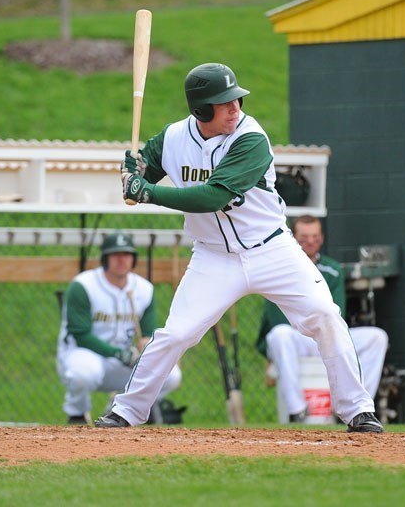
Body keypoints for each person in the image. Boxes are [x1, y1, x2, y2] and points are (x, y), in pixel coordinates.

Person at [99, 62, 382, 432]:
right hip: (213, 256)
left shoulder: (251, 138)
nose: (235, 108)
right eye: (224, 102)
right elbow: (142, 175)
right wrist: (133, 172)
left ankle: (358, 410)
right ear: (201, 110)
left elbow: (213, 197)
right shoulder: (172, 138)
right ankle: (126, 411)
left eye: (236, 99)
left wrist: (148, 192)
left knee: (325, 315)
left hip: (272, 250)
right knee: (176, 333)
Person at [256, 215, 388, 422]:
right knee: (280, 334)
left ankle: (358, 409)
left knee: (376, 337)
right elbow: (276, 318)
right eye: (304, 237)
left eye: (315, 237)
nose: (310, 242)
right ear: (292, 237)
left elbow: (337, 314)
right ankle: (296, 410)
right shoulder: (279, 266)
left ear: (322, 238)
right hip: (296, 338)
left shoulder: (331, 269)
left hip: (325, 335)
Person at [56, 232, 181, 424]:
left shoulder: (143, 289)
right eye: (115, 255)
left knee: (171, 375)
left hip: (124, 360)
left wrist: (147, 347)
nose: (121, 260)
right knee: (82, 374)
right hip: (85, 355)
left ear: (134, 259)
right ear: (105, 258)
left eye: (126, 254)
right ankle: (77, 413)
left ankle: (119, 410)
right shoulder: (83, 285)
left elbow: (146, 333)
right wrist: (119, 354)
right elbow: (81, 336)